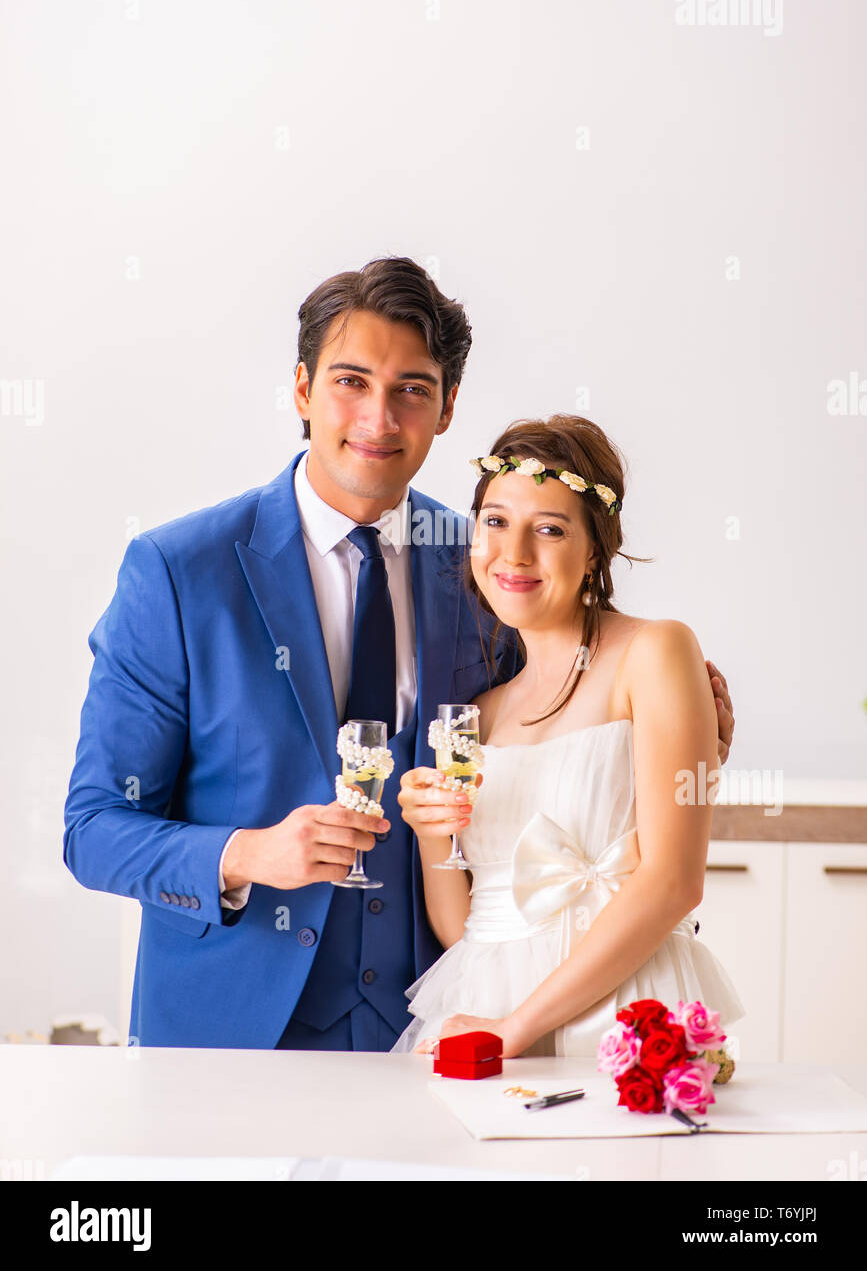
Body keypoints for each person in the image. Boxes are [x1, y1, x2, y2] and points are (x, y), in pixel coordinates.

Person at [63, 257, 736, 1051]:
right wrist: (246, 854)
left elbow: (559, 728)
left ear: (447, 408)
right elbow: (94, 829)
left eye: (412, 389)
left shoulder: (488, 567)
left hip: (435, 1022)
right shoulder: (179, 572)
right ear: (302, 389)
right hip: (231, 1033)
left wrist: (681, 736)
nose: (379, 418)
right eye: (350, 381)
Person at [392, 414, 747, 1058]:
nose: (515, 553)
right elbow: (465, 928)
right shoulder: (484, 711)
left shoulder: (656, 652)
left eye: (549, 529)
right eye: (495, 522)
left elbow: (674, 880)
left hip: (619, 1007)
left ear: (594, 552)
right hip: (486, 1003)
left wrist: (515, 1031)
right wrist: (429, 829)